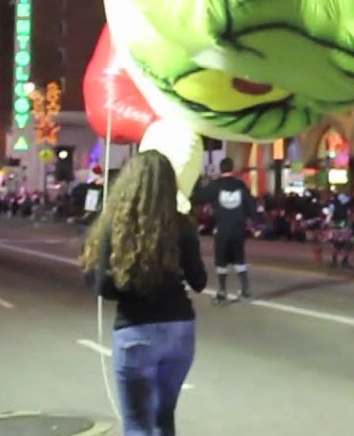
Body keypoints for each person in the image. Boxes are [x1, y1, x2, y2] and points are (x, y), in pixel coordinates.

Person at [81, 150, 207, 436]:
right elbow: (199, 281)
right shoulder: (182, 223)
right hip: (179, 328)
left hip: (135, 330)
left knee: (138, 424)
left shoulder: (114, 225)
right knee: (164, 417)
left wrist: (131, 279)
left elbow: (100, 285)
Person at [193, 157, 257, 303]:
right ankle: (246, 290)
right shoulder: (241, 185)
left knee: (221, 261)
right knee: (239, 259)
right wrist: (256, 222)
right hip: (238, 230)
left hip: (222, 229)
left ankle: (222, 292)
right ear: (232, 169)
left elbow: (198, 198)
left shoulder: (215, 185)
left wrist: (196, 183)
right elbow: (251, 204)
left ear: (220, 169)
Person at [325, 192, 354, 271]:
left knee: (337, 244)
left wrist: (327, 223)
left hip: (335, 225)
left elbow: (329, 215)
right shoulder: (347, 204)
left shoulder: (332, 204)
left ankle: (334, 261)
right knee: (348, 244)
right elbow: (349, 215)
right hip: (343, 225)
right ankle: (344, 262)